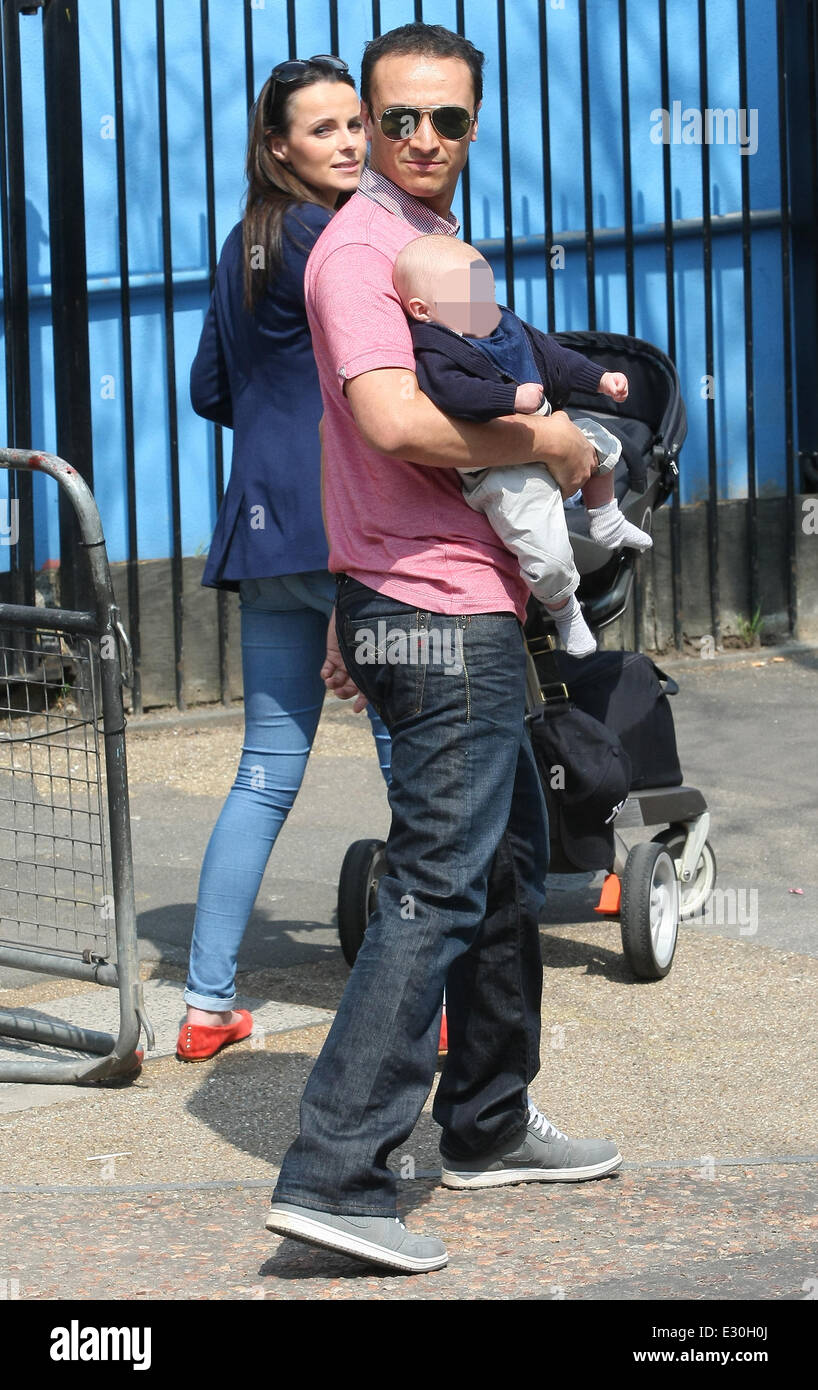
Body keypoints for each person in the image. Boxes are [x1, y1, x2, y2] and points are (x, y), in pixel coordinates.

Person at [265, 22, 622, 1274]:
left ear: (473, 124)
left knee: (509, 868)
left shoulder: (428, 249)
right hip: (432, 611)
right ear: (364, 122)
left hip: (452, 602)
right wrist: (561, 451)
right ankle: (336, 1169)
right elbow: (394, 418)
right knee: (433, 886)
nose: (419, 140)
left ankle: (483, 1119)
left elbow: (510, 358)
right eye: (396, 118)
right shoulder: (358, 253)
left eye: (444, 120)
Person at [178, 56, 390, 1063]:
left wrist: (277, 409)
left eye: (355, 123)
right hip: (350, 531)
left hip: (258, 531)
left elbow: (207, 388)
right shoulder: (343, 237)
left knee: (263, 773)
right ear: (277, 148)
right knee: (416, 771)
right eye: (323, 130)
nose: (350, 141)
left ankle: (206, 1001)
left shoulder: (242, 243)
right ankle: (427, 1003)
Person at [392, 234, 653, 657]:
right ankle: (567, 611)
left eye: (487, 291)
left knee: (602, 443)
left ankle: (604, 515)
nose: (486, 303)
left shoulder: (506, 326)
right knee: (543, 549)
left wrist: (600, 379)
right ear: (424, 311)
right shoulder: (435, 349)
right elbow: (452, 393)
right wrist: (509, 399)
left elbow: (557, 357)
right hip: (501, 465)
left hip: (543, 429)